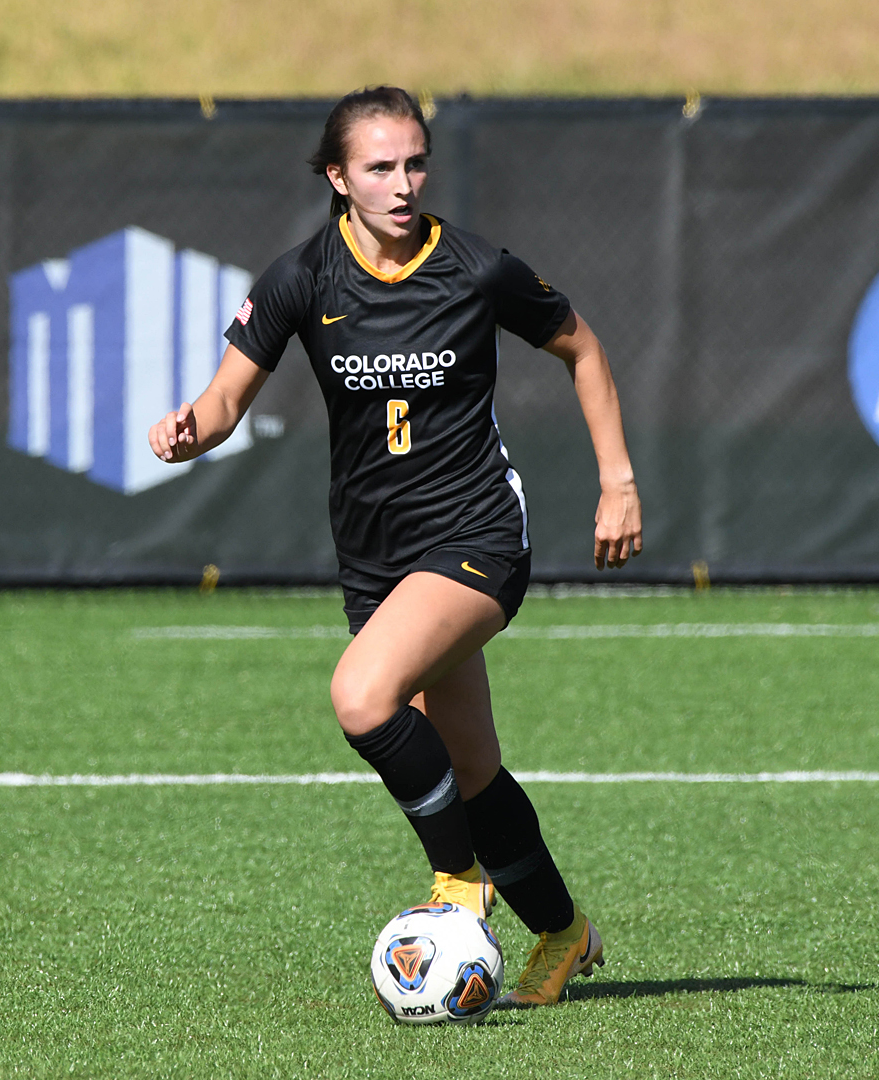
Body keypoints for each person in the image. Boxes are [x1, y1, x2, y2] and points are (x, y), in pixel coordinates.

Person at [147, 86, 642, 1007]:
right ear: (338, 178)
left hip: (477, 537)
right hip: (376, 558)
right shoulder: (303, 277)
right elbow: (222, 404)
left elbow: (582, 348)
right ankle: (566, 935)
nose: (403, 182)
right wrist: (188, 430)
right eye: (379, 167)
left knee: (361, 695)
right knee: (474, 770)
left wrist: (617, 481)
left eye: (415, 162)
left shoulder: (476, 267)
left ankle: (456, 888)